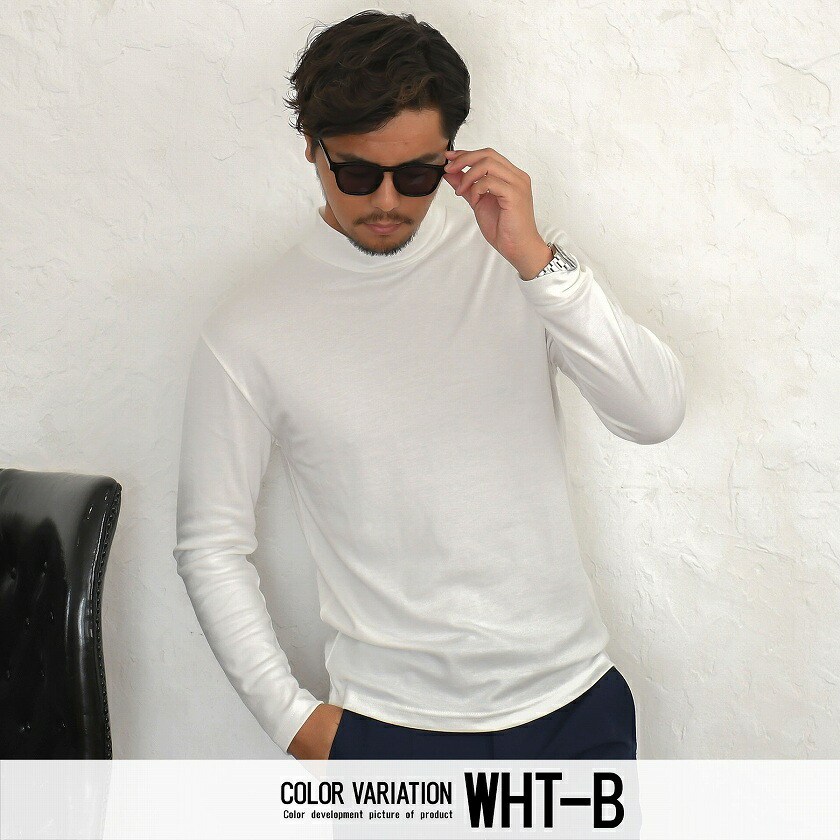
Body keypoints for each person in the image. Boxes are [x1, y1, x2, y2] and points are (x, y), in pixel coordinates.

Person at [173, 10, 685, 762]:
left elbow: (654, 414)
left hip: (573, 708)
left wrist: (536, 261)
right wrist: (293, 725)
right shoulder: (251, 327)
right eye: (357, 173)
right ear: (311, 147)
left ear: (451, 156)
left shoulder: (518, 265)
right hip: (389, 730)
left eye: (416, 175)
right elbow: (210, 543)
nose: (387, 201)